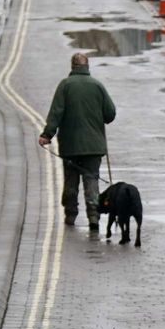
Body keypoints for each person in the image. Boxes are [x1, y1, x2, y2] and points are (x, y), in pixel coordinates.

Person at [38, 53, 117, 228]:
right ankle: (94, 216)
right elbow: (110, 114)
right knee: (91, 179)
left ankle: (71, 215)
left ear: (72, 67)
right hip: (94, 146)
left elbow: (56, 113)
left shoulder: (65, 85)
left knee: (71, 180)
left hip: (70, 145)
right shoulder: (97, 86)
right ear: (87, 66)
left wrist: (46, 135)